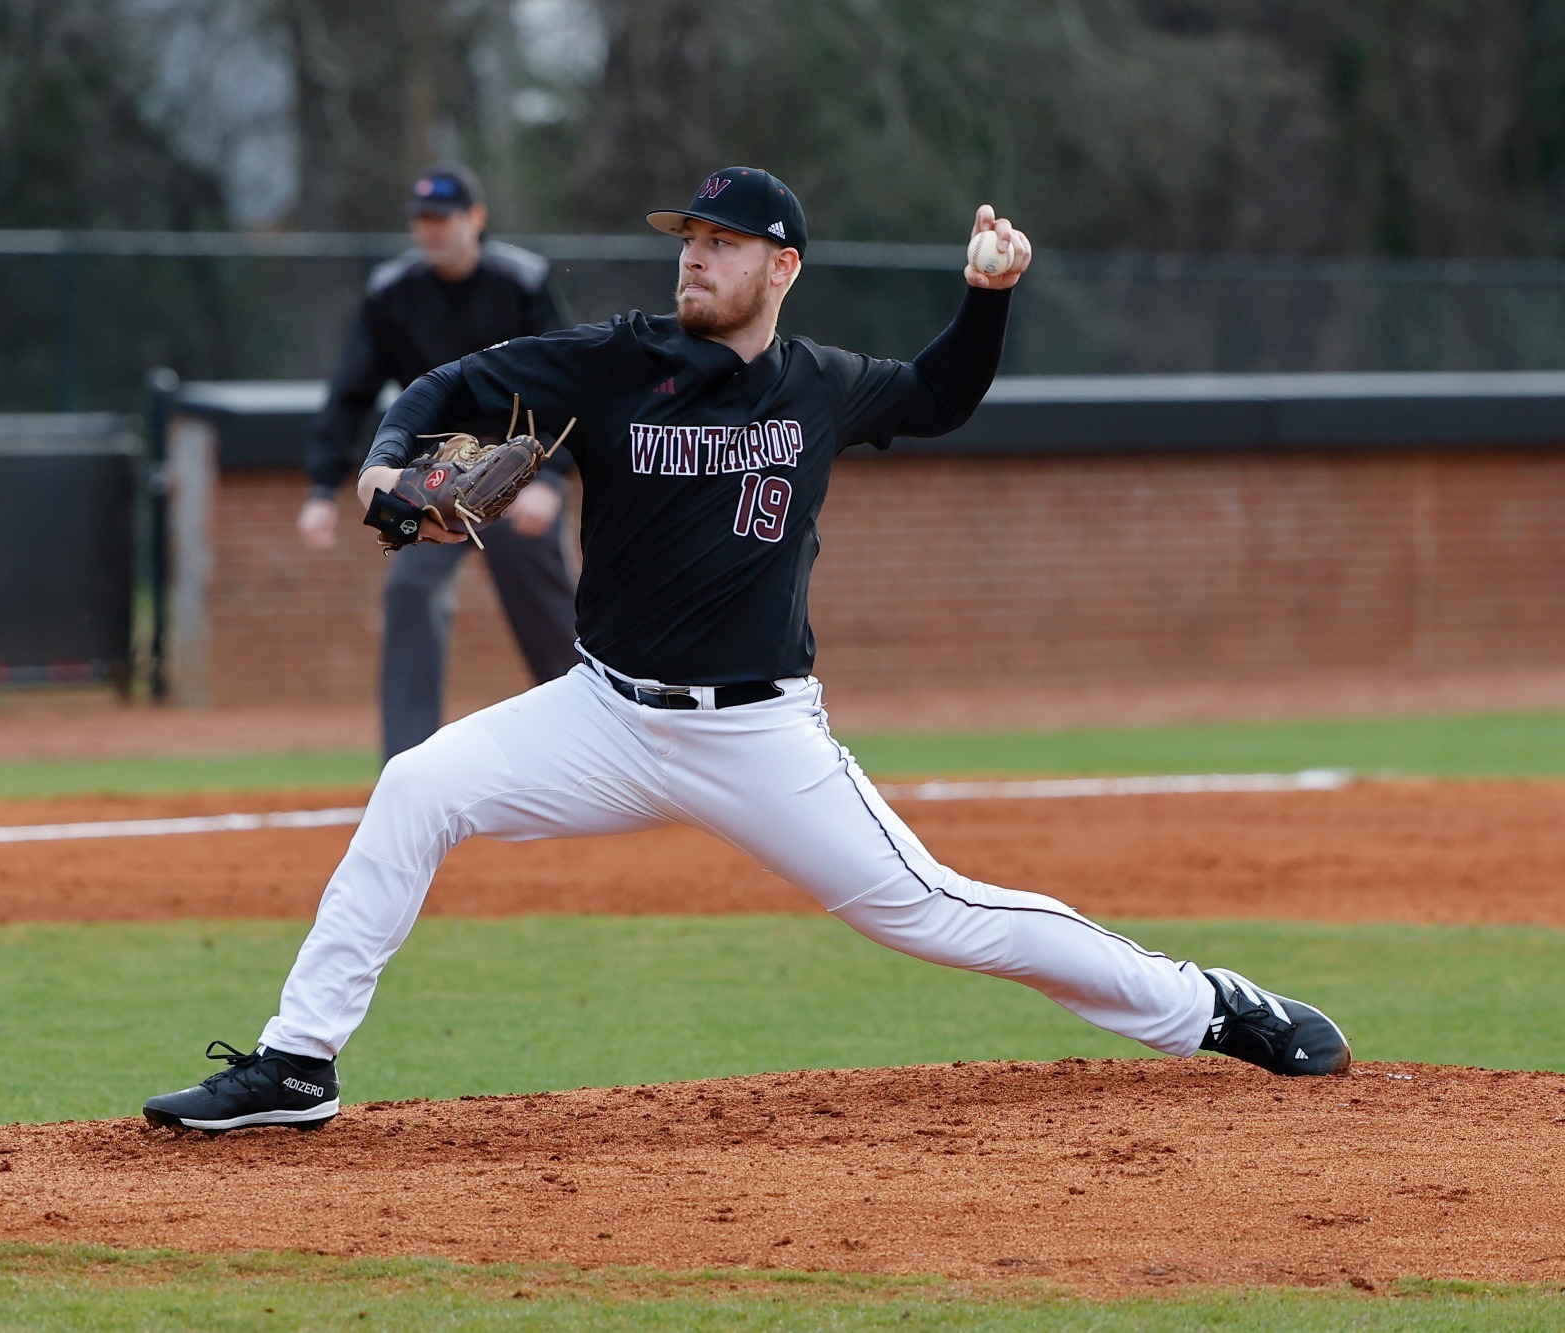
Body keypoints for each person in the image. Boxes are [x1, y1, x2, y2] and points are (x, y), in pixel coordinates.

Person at [146, 167, 1351, 1133]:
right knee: (416, 787)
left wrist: (985, 296)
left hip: (759, 733)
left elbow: (936, 397)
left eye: (721, 242)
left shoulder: (819, 385)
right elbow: (447, 383)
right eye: (688, 239)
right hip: (602, 715)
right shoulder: (614, 362)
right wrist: (379, 465)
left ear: (781, 266)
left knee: (937, 913)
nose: (693, 256)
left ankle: (1206, 1005)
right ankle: (297, 1064)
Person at [299, 162, 580, 761]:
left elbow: (567, 380)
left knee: (551, 614)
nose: (431, 229)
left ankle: (593, 743)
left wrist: (552, 479)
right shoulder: (391, 292)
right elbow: (350, 392)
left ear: (476, 219)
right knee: (408, 592)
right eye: (422, 218)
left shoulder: (522, 282)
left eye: (443, 217)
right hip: (431, 477)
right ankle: (408, 761)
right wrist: (322, 489)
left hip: (516, 472)